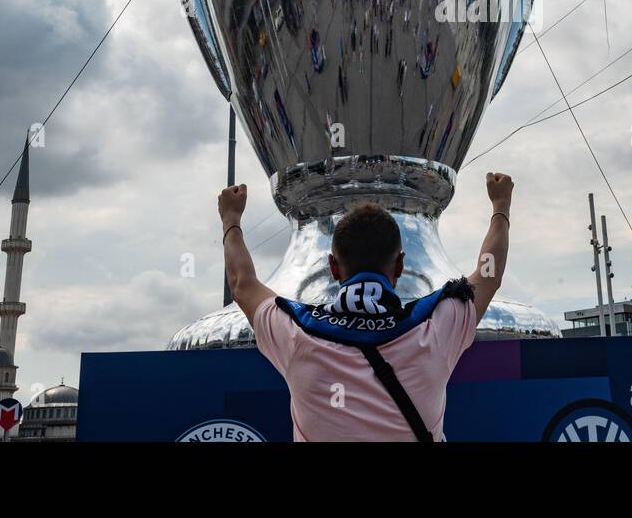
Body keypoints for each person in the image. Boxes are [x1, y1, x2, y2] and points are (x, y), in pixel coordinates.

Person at [218, 172, 515, 441]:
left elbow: (242, 284)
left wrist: (231, 219)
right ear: (400, 264)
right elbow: (489, 275)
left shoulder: (298, 334)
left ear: (333, 267)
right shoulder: (435, 327)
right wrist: (500, 207)